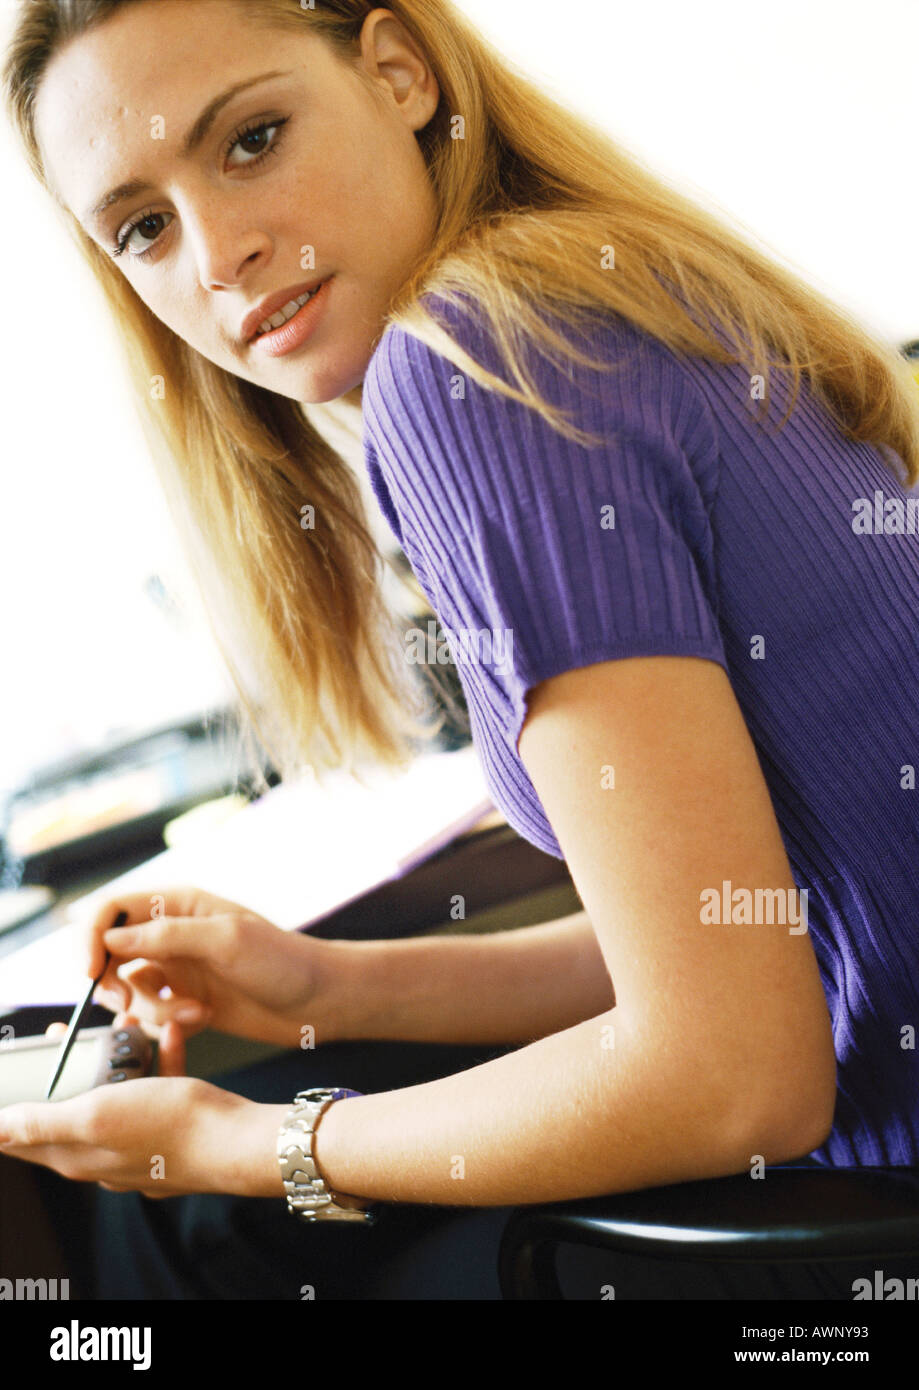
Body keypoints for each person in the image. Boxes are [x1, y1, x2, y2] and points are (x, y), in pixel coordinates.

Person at [1, 0, 918, 1301]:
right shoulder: (585, 284)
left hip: (869, 1201)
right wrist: (326, 984)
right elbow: (739, 922)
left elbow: (735, 1074)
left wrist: (253, 1145)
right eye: (143, 227)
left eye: (252, 138)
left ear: (399, 72)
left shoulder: (472, 372)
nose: (221, 253)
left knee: (173, 1240)